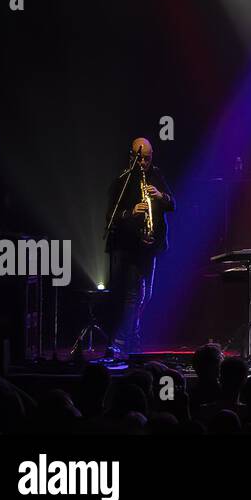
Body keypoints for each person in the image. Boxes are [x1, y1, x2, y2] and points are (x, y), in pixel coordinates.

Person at [104, 137, 174, 357]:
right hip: (131, 247)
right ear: (132, 156)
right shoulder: (123, 180)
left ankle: (128, 335)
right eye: (140, 158)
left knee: (148, 294)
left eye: (147, 158)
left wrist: (161, 195)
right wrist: (132, 213)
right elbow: (112, 217)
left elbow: (173, 204)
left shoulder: (156, 175)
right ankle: (127, 341)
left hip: (150, 245)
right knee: (134, 295)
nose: (144, 163)